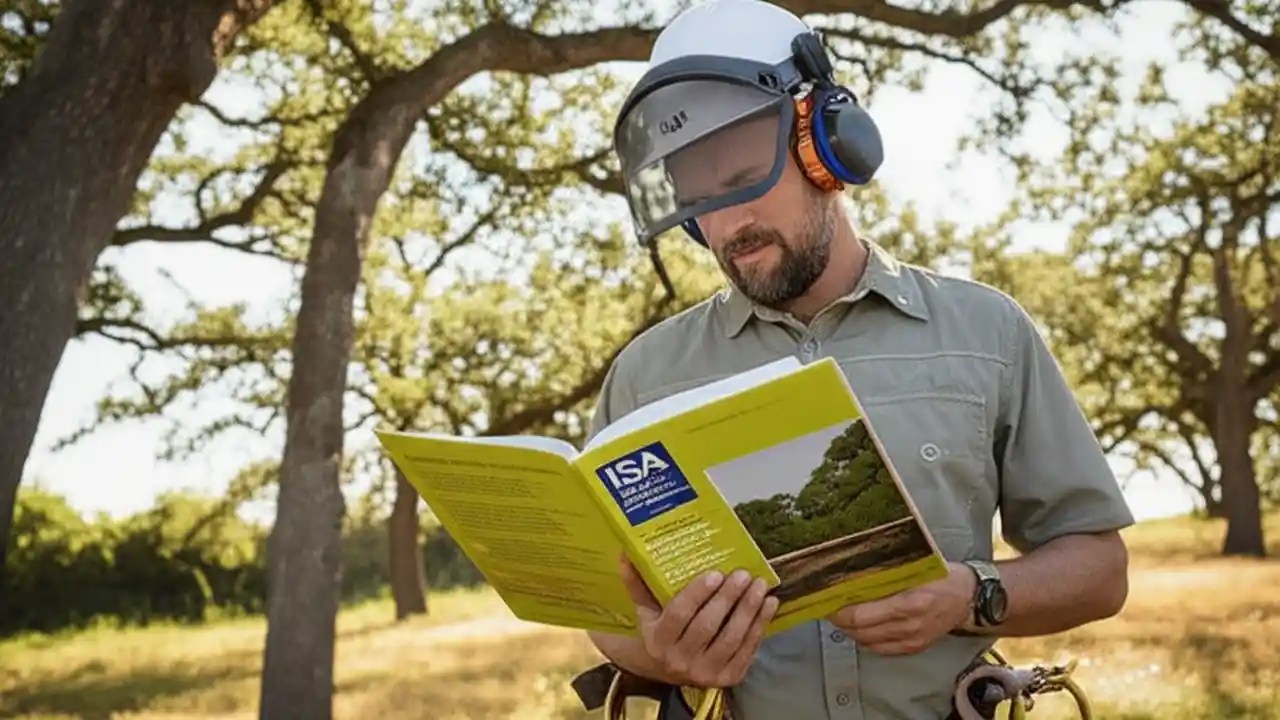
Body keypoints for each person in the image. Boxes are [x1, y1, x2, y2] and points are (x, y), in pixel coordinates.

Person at [581, 1, 1135, 718]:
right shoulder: (645, 375)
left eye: (746, 175)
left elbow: (1100, 570)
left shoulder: (986, 331)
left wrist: (971, 594)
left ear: (826, 145)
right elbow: (607, 616)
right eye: (698, 197)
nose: (727, 226)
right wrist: (663, 650)